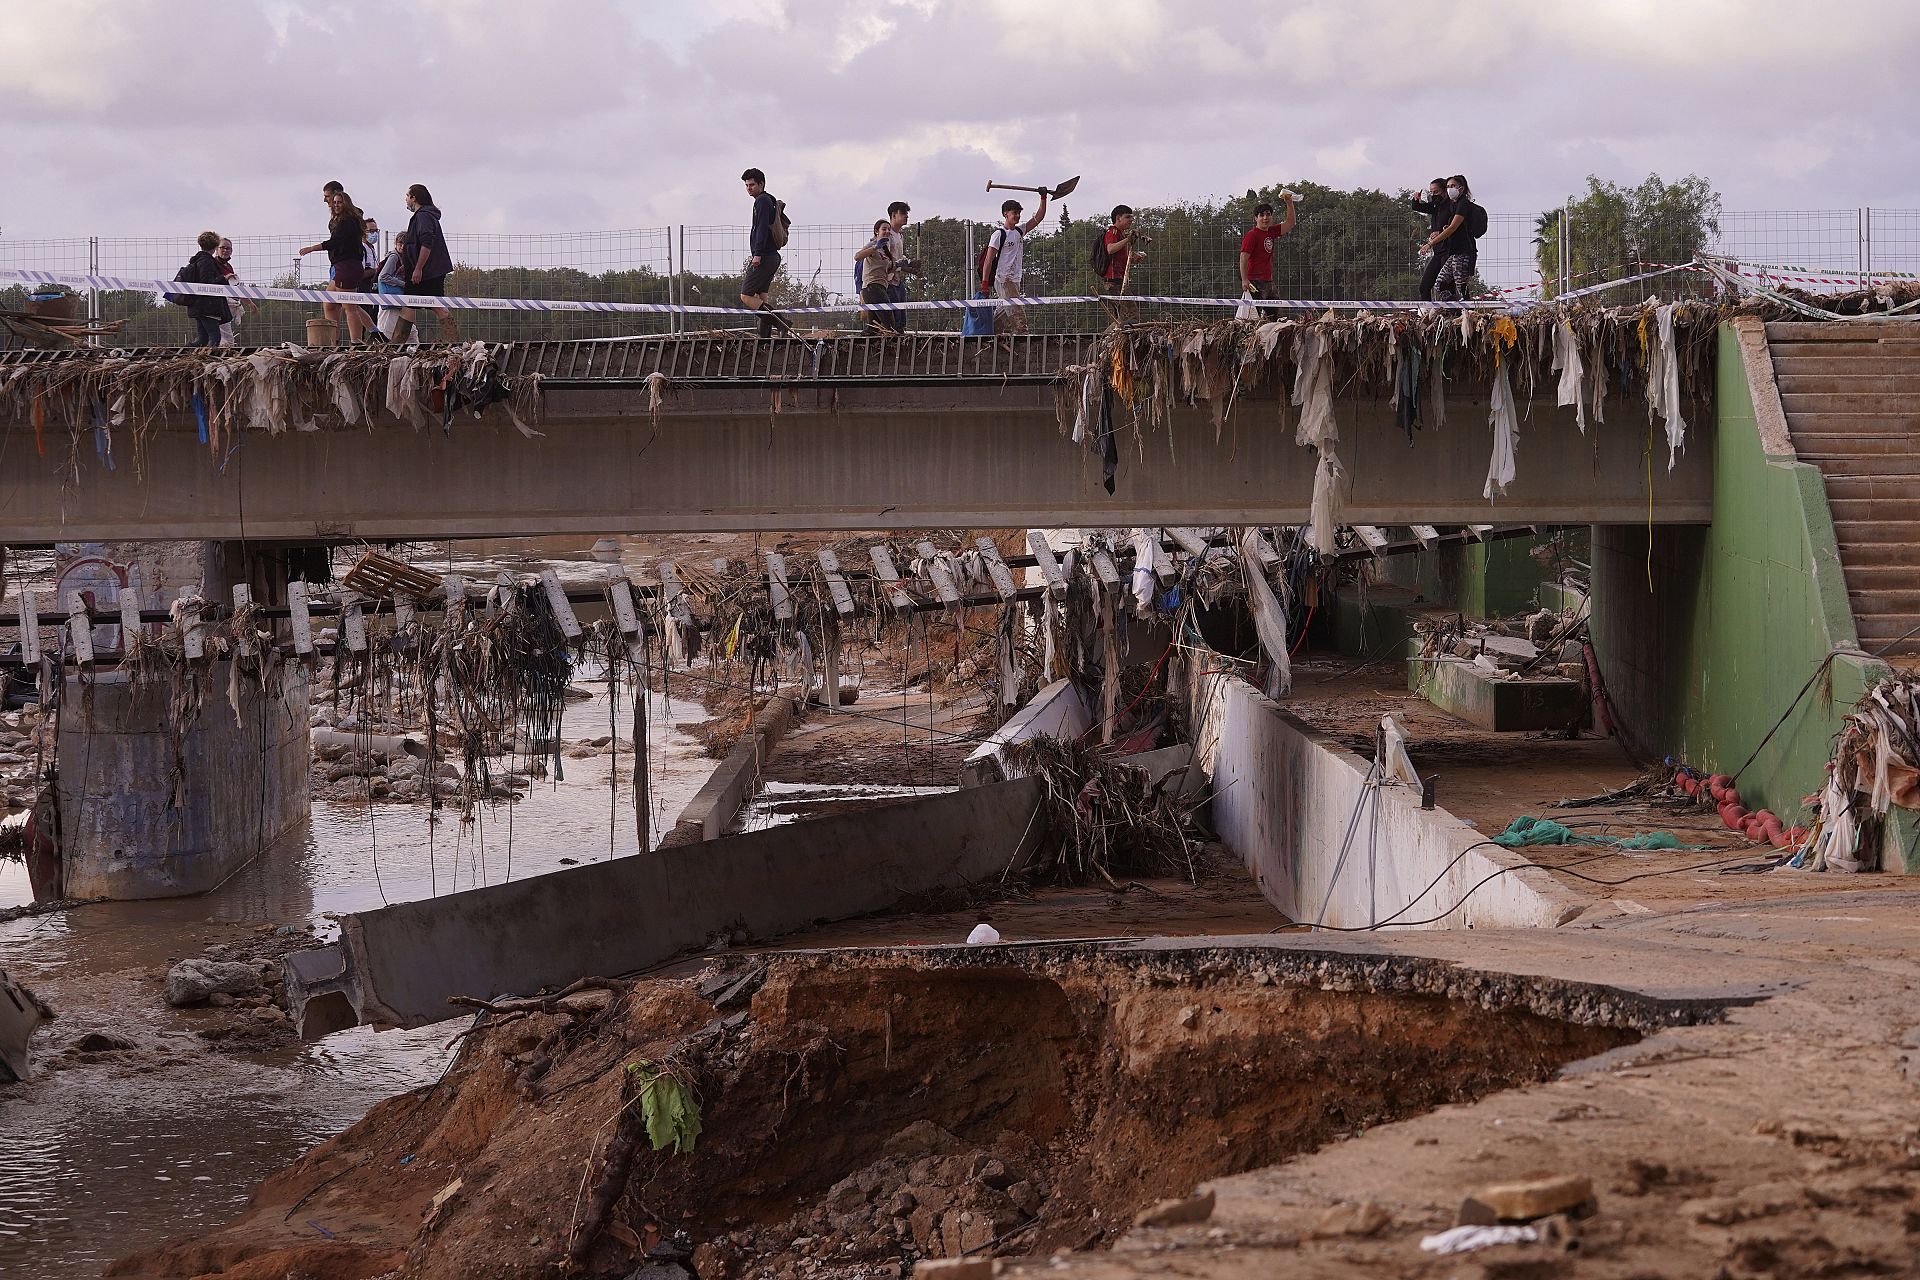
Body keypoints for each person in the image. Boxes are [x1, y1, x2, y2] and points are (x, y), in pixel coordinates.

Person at [299, 190, 374, 342]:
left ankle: (356, 342)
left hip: (347, 267)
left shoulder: (347, 222)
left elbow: (335, 242)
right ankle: (334, 340)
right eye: (334, 202)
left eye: (339, 202)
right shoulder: (339, 221)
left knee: (350, 307)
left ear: (346, 203)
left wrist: (311, 248)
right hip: (342, 267)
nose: (336, 205)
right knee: (329, 303)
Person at [981, 189, 1048, 334]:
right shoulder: (999, 234)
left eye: (1019, 213)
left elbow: (1039, 217)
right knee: (1018, 315)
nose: (1017, 216)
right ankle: (1023, 336)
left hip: (1015, 279)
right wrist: (985, 283)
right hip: (1004, 279)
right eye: (1014, 213)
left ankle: (988, 333)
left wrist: (1043, 197)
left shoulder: (1019, 231)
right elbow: (988, 260)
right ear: (1005, 214)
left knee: (1003, 312)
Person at [400, 183, 460, 341]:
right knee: (414, 303)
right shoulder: (425, 216)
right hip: (427, 270)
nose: (405, 200)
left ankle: (397, 344)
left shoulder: (423, 216)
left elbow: (427, 243)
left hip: (427, 272)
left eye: (407, 196)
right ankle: (453, 341)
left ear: (414, 198)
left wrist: (418, 268)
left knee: (427, 304)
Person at [740, 168, 791, 336]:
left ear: (761, 184)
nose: (749, 188)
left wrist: (758, 254)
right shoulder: (769, 200)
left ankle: (782, 323)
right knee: (761, 298)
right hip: (771, 257)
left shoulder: (762, 201)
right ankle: (765, 339)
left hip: (765, 256)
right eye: (747, 185)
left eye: (752, 185)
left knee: (746, 296)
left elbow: (761, 228)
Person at [1425, 175, 1484, 306]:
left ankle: (1466, 311)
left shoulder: (1463, 204)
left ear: (1461, 188)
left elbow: (1453, 228)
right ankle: (1454, 309)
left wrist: (1430, 244)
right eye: (1448, 186)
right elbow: (1452, 227)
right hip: (1454, 253)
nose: (1449, 189)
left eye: (1453, 186)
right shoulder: (1454, 205)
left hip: (1464, 252)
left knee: (1461, 287)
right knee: (1440, 284)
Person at [1237, 194, 1298, 301]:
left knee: (1276, 310)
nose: (1265, 218)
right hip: (1254, 281)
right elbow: (1243, 258)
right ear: (1256, 218)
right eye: (1261, 215)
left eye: (1268, 214)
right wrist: (1244, 280)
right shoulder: (1252, 235)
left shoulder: (1272, 231)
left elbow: (1290, 223)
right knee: (1253, 311)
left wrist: (1289, 202)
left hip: (1268, 281)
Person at [176, 231, 231, 348]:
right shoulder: (207, 261)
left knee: (202, 340)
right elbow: (207, 284)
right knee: (215, 338)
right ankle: (207, 357)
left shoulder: (197, 260)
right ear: (215, 247)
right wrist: (224, 278)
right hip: (208, 306)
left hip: (198, 305)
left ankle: (184, 353)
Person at [1097, 205, 1145, 324]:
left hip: (1120, 280)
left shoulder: (1120, 234)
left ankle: (1113, 334)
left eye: (1132, 217)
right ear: (1118, 218)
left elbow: (1120, 258)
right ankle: (1112, 334)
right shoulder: (1112, 231)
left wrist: (1134, 259)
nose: (1131, 220)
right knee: (1128, 315)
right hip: (1113, 281)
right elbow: (1110, 249)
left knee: (1126, 315)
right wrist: (1128, 239)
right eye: (1128, 217)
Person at [1409, 178, 1451, 302]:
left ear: (1445, 191)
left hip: (1449, 251)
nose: (1433, 195)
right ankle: (1426, 311)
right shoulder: (1436, 206)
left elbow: (1454, 227)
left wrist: (1440, 233)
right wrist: (1415, 199)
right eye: (1431, 192)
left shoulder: (1452, 206)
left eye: (1436, 192)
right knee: (1424, 287)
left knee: (1447, 286)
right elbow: (1418, 207)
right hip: (1438, 252)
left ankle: (1455, 311)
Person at [854, 219, 897, 334]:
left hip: (881, 287)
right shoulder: (873, 244)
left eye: (889, 229)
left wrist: (901, 265)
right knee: (889, 324)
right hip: (872, 287)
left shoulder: (885, 249)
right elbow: (857, 257)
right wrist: (875, 247)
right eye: (884, 229)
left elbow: (887, 269)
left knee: (873, 327)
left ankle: (867, 343)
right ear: (876, 231)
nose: (887, 231)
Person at [212, 237, 258, 346]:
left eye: (228, 248)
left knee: (219, 337)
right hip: (215, 306)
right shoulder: (212, 264)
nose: (225, 250)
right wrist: (224, 278)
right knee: (226, 339)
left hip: (226, 306)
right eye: (222, 247)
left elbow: (235, 288)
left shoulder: (229, 267)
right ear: (216, 249)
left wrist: (249, 302)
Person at [375, 231, 413, 342]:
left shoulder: (403, 258)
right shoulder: (394, 257)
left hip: (397, 302)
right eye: (400, 243)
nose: (402, 246)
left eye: (405, 244)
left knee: (410, 332)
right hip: (390, 300)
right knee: (386, 332)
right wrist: (403, 284)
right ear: (396, 244)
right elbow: (383, 276)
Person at [881, 200, 911, 333]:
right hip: (888, 281)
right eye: (903, 213)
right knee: (894, 317)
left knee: (902, 316)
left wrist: (909, 266)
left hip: (898, 280)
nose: (906, 216)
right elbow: (884, 260)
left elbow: (898, 258)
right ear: (893, 215)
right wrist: (899, 264)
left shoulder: (900, 235)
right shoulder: (887, 235)